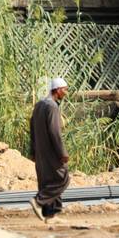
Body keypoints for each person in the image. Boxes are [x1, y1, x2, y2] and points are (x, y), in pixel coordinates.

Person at [29, 77, 70, 221]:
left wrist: (33, 151)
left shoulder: (39, 105)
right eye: (64, 90)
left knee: (48, 181)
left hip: (41, 151)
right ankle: (38, 201)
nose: (65, 93)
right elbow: (55, 132)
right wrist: (62, 152)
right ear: (58, 90)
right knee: (62, 179)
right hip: (51, 152)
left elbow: (32, 128)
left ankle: (51, 215)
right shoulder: (52, 106)